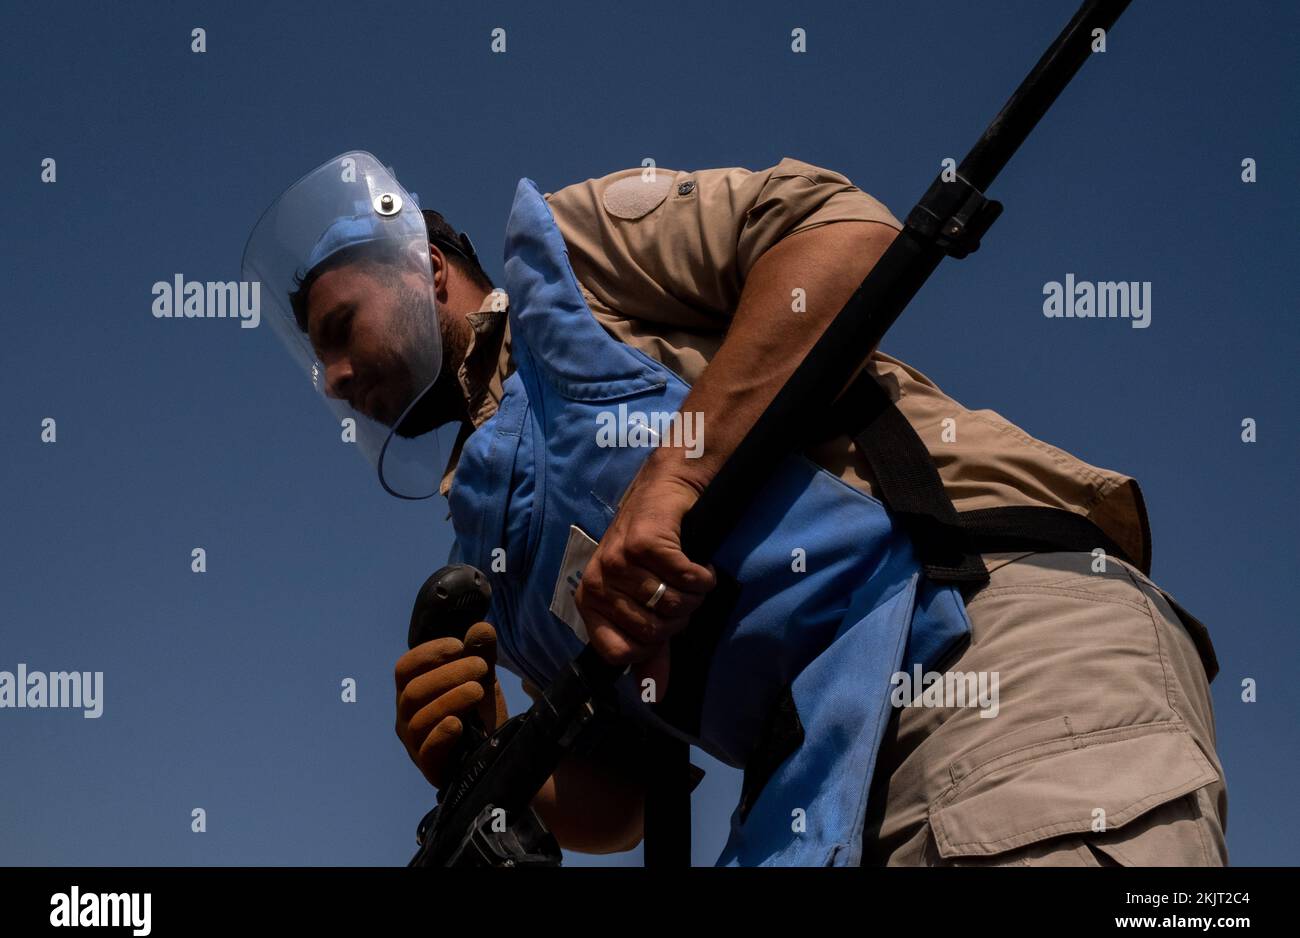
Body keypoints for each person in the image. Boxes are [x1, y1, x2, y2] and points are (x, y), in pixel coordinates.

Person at [244, 151, 1227, 866]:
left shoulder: (575, 253)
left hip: (983, 642)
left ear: (426, 265)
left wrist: (671, 478)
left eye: (339, 328)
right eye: (318, 362)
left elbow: (849, 240)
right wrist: (489, 760)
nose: (332, 377)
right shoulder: (491, 540)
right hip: (809, 796)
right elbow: (620, 799)